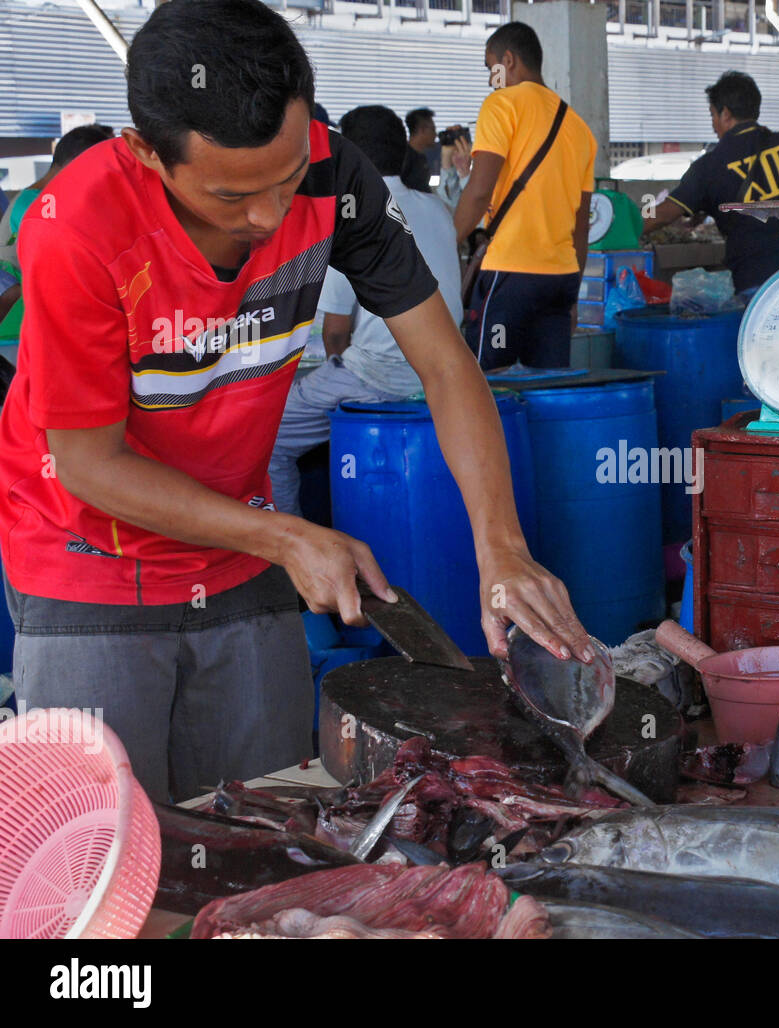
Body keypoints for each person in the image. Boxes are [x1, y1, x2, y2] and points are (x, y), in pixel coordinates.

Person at [0, 0, 590, 803]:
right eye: (231, 196)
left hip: (245, 549)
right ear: (144, 152)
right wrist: (287, 536)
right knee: (106, 839)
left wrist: (501, 545)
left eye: (284, 181)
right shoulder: (77, 228)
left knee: (268, 820)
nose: (271, 216)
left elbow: (447, 367)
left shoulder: (337, 175)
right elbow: (89, 463)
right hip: (88, 564)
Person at [268, 105, 464, 517]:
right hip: (446, 377)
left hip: (376, 379)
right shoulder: (437, 208)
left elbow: (335, 335)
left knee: (267, 438)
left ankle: (290, 557)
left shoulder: (351, 210)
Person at [454, 22, 597, 368]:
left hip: (510, 275)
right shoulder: (578, 127)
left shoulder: (501, 105)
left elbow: (478, 192)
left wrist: (444, 243)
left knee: (487, 383)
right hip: (560, 281)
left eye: (492, 69)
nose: (492, 79)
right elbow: (581, 226)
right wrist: (572, 295)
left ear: (509, 59)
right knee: (547, 386)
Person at [639, 72, 779, 293]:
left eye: (713, 115)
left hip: (752, 280)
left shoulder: (709, 166)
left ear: (726, 114)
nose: (713, 125)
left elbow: (661, 214)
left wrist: (627, 225)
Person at [0, 124, 116, 341]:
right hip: (17, 331)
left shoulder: (48, 199)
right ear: (77, 164)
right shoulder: (34, 204)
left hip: (32, 329)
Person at [402, 107, 438, 192]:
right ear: (422, 130)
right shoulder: (404, 158)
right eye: (433, 129)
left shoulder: (422, 157)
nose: (435, 134)